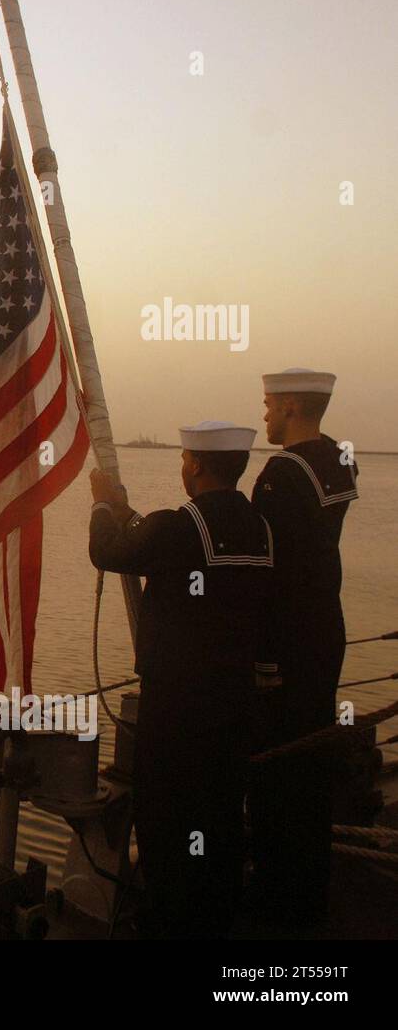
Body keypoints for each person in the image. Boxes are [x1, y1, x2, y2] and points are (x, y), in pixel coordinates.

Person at [89, 422, 272, 937]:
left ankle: (168, 921)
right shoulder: (257, 525)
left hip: (178, 703)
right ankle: (214, 917)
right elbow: (155, 539)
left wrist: (104, 505)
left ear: (193, 463)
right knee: (219, 816)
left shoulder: (180, 525)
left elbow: (109, 551)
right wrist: (129, 514)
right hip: (235, 699)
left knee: (167, 817)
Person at [248, 368, 357, 927]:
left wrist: (261, 659)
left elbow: (266, 569)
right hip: (324, 631)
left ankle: (277, 899)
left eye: (269, 405)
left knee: (277, 773)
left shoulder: (281, 474)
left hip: (285, 641)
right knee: (311, 765)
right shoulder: (340, 458)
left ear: (291, 404)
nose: (264, 414)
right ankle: (309, 886)